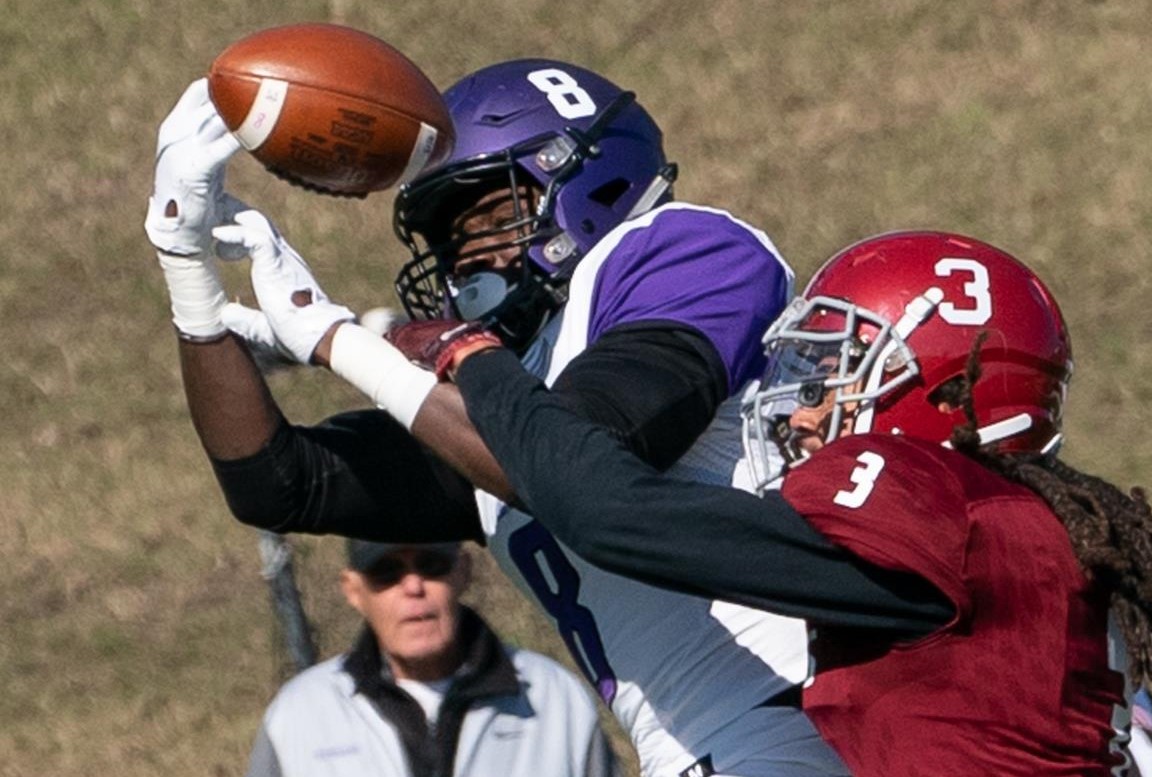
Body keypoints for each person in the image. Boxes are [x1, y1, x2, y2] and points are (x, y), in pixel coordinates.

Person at [145, 63, 849, 777]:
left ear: (588, 180)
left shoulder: (680, 249)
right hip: (700, 750)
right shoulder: (492, 401)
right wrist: (189, 274)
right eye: (451, 239)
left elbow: (583, 452)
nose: (469, 255)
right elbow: (277, 481)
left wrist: (338, 339)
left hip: (811, 716)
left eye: (493, 214)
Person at [432, 230, 1152, 776]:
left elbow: (629, 520)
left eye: (832, 372)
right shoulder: (1025, 526)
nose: (800, 408)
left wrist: (470, 361)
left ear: (945, 385)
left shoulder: (948, 519)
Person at [245, 540, 614, 777]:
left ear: (464, 570)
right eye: (386, 572)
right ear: (353, 589)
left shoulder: (555, 700)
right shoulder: (299, 715)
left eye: (431, 564)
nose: (413, 587)